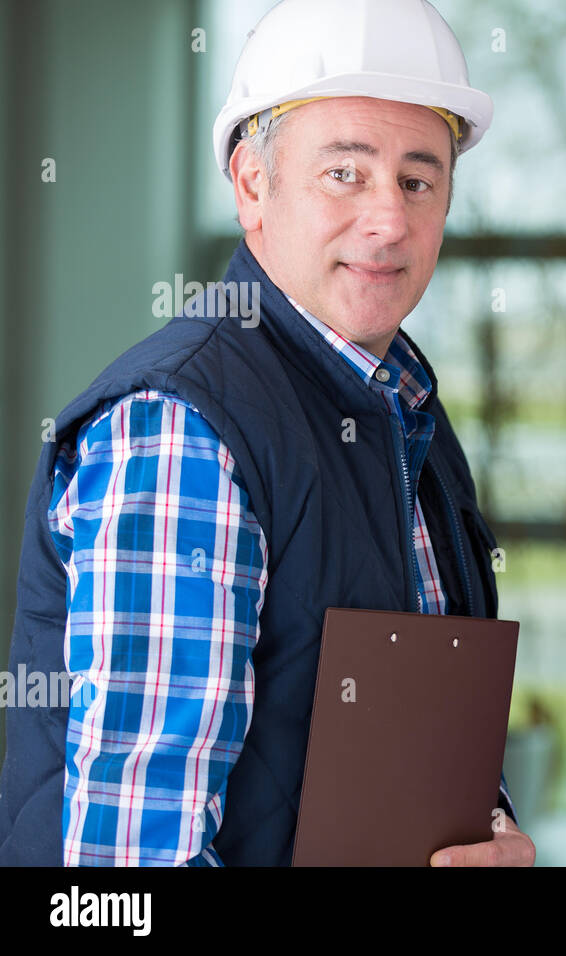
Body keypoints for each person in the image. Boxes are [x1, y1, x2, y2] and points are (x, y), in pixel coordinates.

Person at [0, 0, 533, 867]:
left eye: (418, 179)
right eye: (345, 173)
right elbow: (132, 867)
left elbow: (415, 746)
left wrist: (491, 833)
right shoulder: (182, 432)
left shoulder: (410, 418)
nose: (390, 220)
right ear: (253, 185)